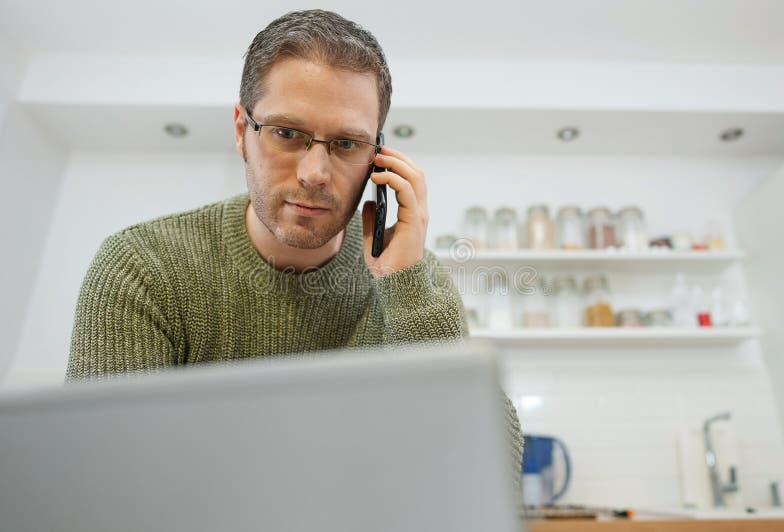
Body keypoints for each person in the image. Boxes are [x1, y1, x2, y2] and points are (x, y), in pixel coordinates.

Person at [66, 9, 522, 475]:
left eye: (347, 143)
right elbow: (102, 478)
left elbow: (495, 471)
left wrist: (406, 286)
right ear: (242, 130)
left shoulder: (409, 281)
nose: (315, 175)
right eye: (287, 133)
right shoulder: (143, 267)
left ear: (377, 159)